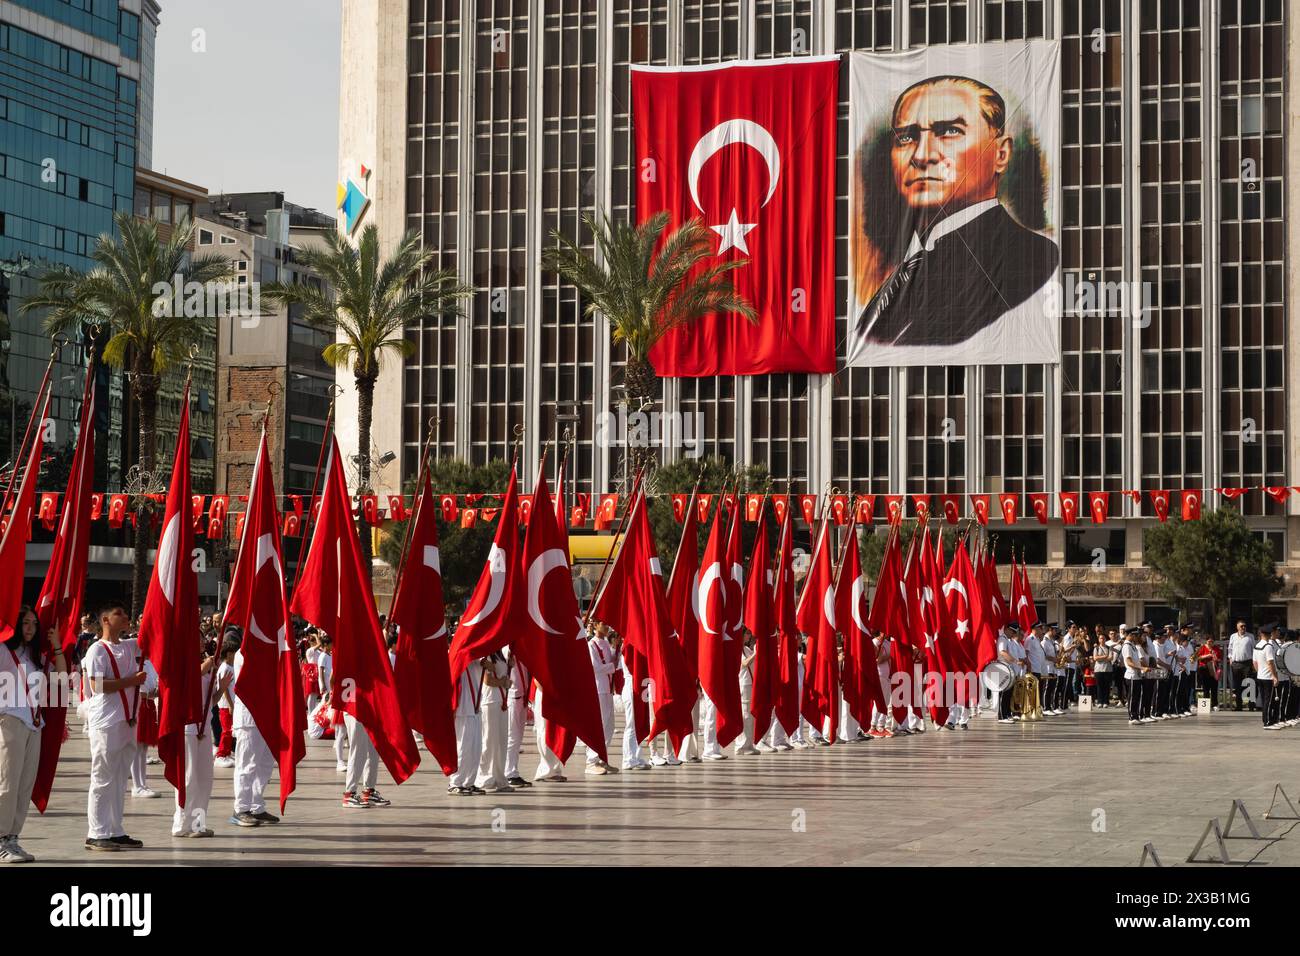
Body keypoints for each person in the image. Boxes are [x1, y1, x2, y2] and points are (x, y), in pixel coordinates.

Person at [853, 75, 1060, 349]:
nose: (922, 155)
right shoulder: (906, 268)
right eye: (906, 137)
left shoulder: (1030, 257)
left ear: (1001, 154)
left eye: (949, 131)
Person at [81, 602, 155, 851]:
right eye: (119, 614)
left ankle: (115, 829)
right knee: (102, 777)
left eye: (125, 614)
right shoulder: (97, 650)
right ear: (105, 620)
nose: (125, 617)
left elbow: (153, 633)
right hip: (106, 722)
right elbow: (97, 685)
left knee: (120, 778)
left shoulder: (129, 645)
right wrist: (131, 681)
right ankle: (96, 832)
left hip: (127, 720)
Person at [0, 606, 65, 863]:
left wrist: (57, 644)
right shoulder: (4, 651)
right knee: (7, 785)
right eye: (25, 623)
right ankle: (1, 838)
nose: (30, 628)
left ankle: (12, 838)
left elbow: (60, 678)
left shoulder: (35, 657)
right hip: (10, 721)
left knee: (24, 786)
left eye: (34, 624)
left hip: (34, 725)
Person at [172, 629, 228, 838]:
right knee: (188, 778)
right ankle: (181, 825)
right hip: (187, 728)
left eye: (203, 637)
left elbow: (208, 702)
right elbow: (187, 684)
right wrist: (207, 665)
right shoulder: (182, 664)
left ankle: (197, 824)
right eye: (198, 638)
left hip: (203, 728)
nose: (203, 641)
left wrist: (221, 689)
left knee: (204, 777)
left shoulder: (206, 666)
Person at [229, 633, 281, 827]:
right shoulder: (243, 654)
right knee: (247, 765)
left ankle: (256, 806)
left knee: (265, 764)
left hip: (267, 716)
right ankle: (241, 808)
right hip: (249, 718)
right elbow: (254, 678)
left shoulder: (269, 652)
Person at [585, 623, 620, 775]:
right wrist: (613, 665)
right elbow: (594, 668)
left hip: (608, 688)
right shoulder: (591, 645)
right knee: (598, 725)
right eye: (603, 624)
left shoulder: (606, 643)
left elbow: (612, 659)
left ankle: (602, 758)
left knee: (609, 726)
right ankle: (591, 761)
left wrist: (616, 649)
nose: (606, 627)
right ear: (595, 625)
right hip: (598, 689)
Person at [475, 650, 511, 793]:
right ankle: (484, 778)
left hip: (501, 701)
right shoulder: (486, 654)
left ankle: (499, 778)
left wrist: (510, 666)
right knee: (489, 742)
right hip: (490, 701)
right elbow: (487, 680)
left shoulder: (500, 654)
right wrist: (503, 682)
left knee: (502, 742)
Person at [450, 655, 486, 794]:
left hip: (475, 707)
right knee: (463, 748)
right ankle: (455, 782)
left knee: (475, 748)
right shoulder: (456, 655)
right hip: (462, 709)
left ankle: (469, 782)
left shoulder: (476, 659)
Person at [502, 646, 532, 789]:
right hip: (512, 697)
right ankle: (508, 773)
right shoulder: (506, 649)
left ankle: (513, 770)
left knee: (518, 737)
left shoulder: (523, 651)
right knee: (512, 737)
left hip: (523, 697)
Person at [213, 640, 237, 769]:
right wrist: (230, 705)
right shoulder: (225, 668)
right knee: (227, 730)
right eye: (233, 653)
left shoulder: (230, 667)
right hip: (225, 705)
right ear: (228, 654)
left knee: (231, 730)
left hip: (231, 703)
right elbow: (225, 689)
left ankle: (227, 753)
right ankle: (221, 755)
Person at [736, 633, 760, 754]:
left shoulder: (746, 649)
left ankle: (749, 744)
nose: (749, 636)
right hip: (743, 683)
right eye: (747, 634)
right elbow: (744, 663)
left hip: (751, 682)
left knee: (750, 715)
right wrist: (756, 653)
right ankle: (741, 746)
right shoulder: (736, 649)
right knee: (745, 715)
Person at [1254, 624, 1282, 729]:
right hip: (1268, 677)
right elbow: (1270, 663)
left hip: (1260, 676)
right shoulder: (1268, 647)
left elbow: (1255, 662)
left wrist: (1259, 672)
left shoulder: (1256, 646)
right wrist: (1274, 676)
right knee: (1269, 700)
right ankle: (1268, 721)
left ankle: (1265, 719)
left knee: (1265, 699)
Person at [1121, 626, 1149, 726]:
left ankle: (1136, 716)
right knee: (1132, 697)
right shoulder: (1127, 646)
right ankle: (1132, 717)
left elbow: (1137, 660)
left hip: (1136, 675)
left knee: (1136, 697)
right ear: (1131, 635)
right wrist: (1142, 668)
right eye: (1135, 635)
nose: (1136, 637)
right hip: (1131, 675)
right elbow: (1129, 662)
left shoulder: (1132, 645)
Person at [1227, 620, 1256, 711]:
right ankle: (1239, 705)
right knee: (1237, 685)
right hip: (1236, 663)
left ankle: (1251, 705)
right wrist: (1230, 658)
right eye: (1241, 626)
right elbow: (1230, 648)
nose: (1243, 627)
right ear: (1237, 627)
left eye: (1244, 626)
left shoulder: (1250, 636)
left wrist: (1254, 662)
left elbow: (1254, 649)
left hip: (1247, 663)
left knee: (1250, 684)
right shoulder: (1233, 636)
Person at [1197, 631, 1222, 711]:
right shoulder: (1202, 648)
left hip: (1213, 669)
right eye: (1209, 641)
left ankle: (1215, 704)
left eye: (1212, 641)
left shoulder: (1216, 648)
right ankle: (1206, 705)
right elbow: (1198, 657)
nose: (1210, 643)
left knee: (1214, 687)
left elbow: (1219, 658)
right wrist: (1207, 655)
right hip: (1204, 669)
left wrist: (1215, 657)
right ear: (1206, 641)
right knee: (1206, 688)